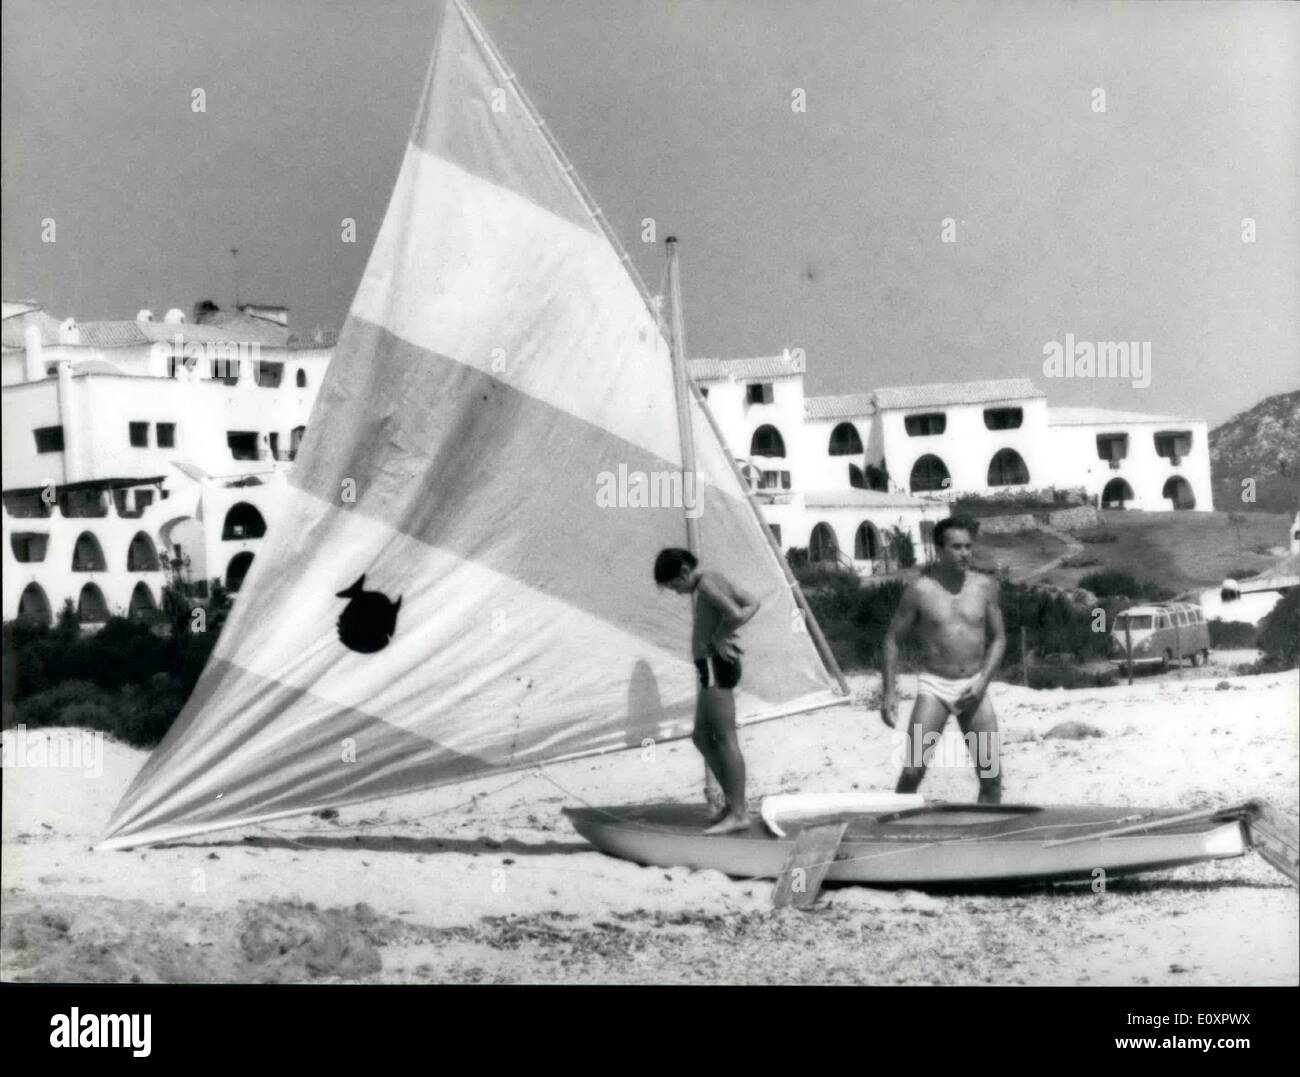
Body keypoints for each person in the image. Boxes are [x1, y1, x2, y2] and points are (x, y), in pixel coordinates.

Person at [880, 515, 1006, 802]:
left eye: (968, 546)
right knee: (913, 771)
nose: (965, 553)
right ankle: (893, 825)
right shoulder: (920, 590)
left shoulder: (985, 586)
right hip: (935, 687)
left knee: (991, 775)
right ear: (939, 549)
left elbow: (999, 638)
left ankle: (985, 842)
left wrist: (983, 682)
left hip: (975, 684)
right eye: (957, 547)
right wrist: (889, 692)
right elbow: (891, 640)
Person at [654, 548, 761, 834]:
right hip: (710, 667)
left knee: (725, 739)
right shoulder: (713, 578)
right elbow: (753, 603)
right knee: (701, 736)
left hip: (714, 665)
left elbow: (737, 612)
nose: (677, 593)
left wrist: (719, 634)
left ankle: (739, 812)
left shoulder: (706, 583)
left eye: (675, 586)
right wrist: (723, 631)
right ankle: (733, 803)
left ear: (685, 572)